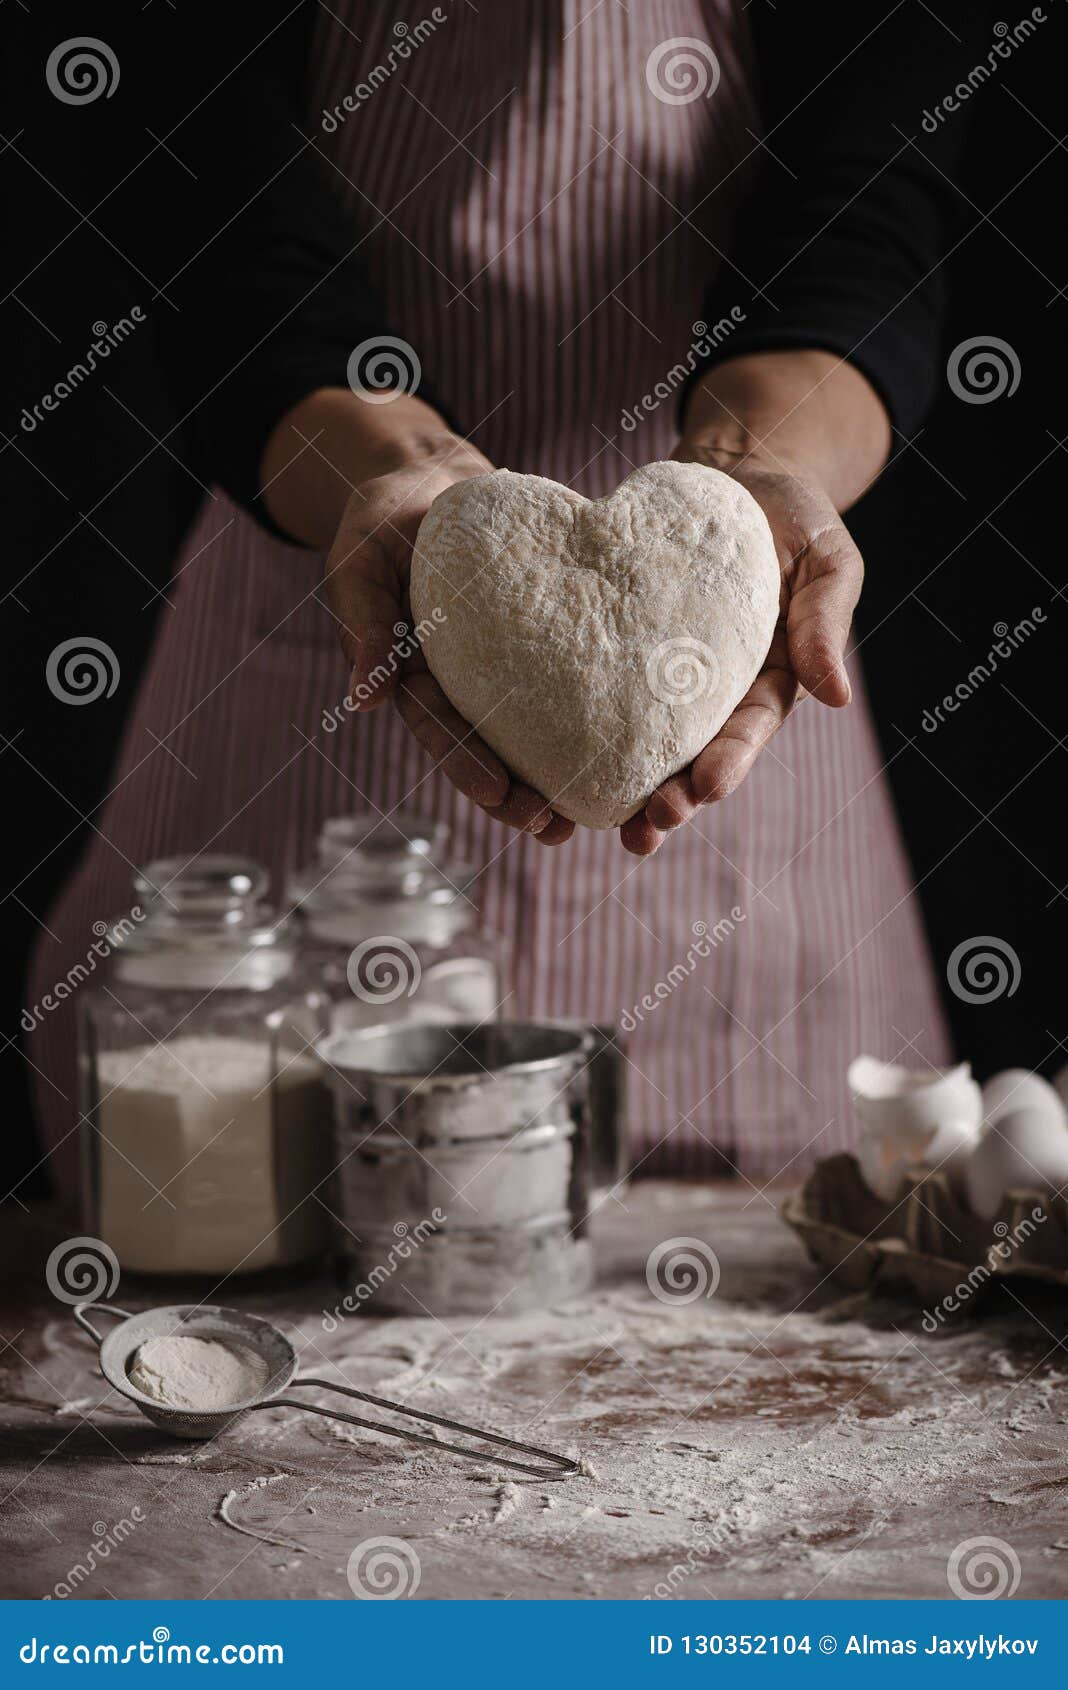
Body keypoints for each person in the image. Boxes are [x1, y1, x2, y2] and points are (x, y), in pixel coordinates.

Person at [27, 1, 989, 1198]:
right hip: (341, 595)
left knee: (760, 1308)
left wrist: (757, 469)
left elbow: (868, 210)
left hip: (730, 658)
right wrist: (383, 469)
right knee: (242, 1216)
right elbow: (223, 231)